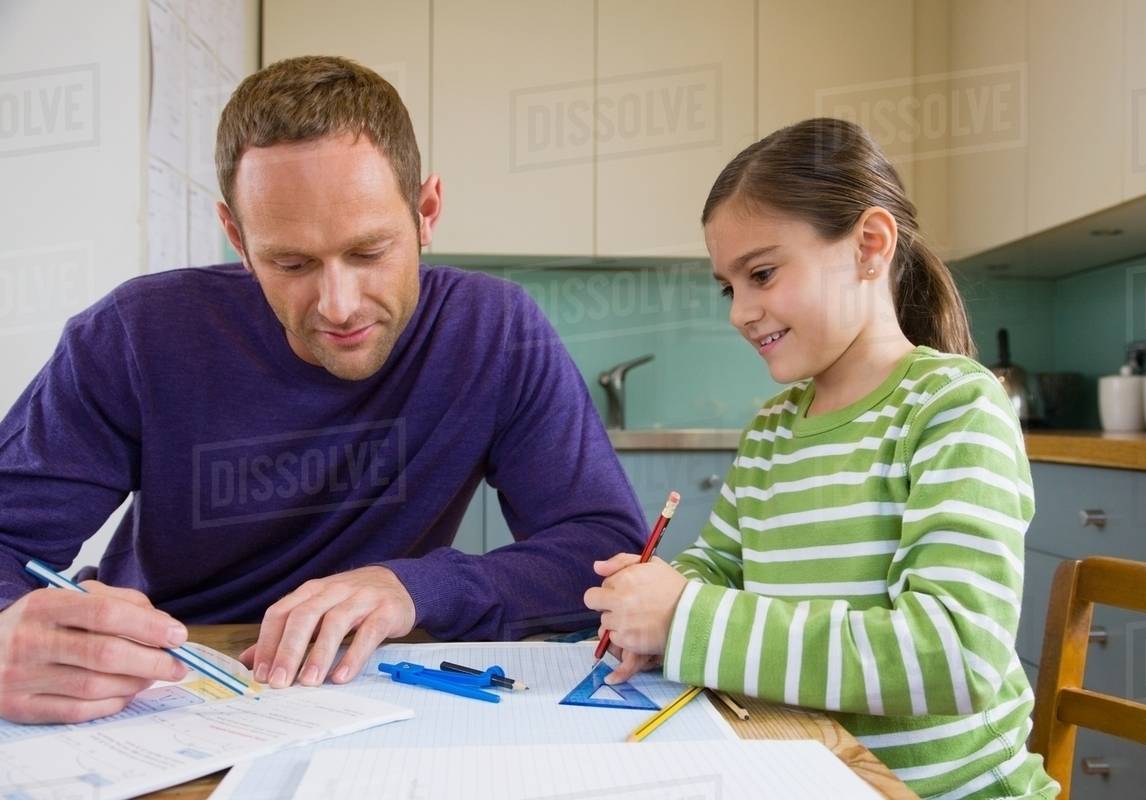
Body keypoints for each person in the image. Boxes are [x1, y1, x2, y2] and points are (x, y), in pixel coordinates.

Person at [0, 56, 644, 724]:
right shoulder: (133, 336)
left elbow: (602, 549)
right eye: (292, 263)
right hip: (172, 689)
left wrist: (415, 585)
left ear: (427, 212)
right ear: (238, 239)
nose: (338, 305)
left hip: (380, 688)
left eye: (369, 253)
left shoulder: (493, 331)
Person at [585, 118, 1058, 799]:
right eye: (730, 286)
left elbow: (955, 655)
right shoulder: (775, 428)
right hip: (806, 772)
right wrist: (658, 596)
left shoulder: (953, 407)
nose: (740, 312)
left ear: (869, 245)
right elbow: (719, 563)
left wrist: (686, 617)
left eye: (763, 274)